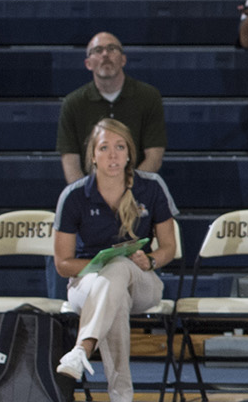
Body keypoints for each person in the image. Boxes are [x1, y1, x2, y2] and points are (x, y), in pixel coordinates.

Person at [52, 119, 179, 400]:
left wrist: (150, 261)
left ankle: (82, 348)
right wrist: (101, 265)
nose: (113, 155)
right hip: (86, 283)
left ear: (130, 153)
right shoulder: (73, 196)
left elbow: (169, 247)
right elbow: (62, 264)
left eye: (120, 147)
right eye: (104, 148)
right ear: (92, 155)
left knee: (121, 268)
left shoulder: (151, 187)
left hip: (142, 282)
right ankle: (121, 397)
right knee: (115, 291)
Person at [58, 33, 166, 182]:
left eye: (112, 48)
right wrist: (88, 194)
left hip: (137, 189)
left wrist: (127, 190)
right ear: (88, 64)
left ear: (123, 60)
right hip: (89, 192)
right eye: (98, 50)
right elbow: (71, 164)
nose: (105, 54)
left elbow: (154, 157)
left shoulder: (148, 97)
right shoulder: (72, 103)